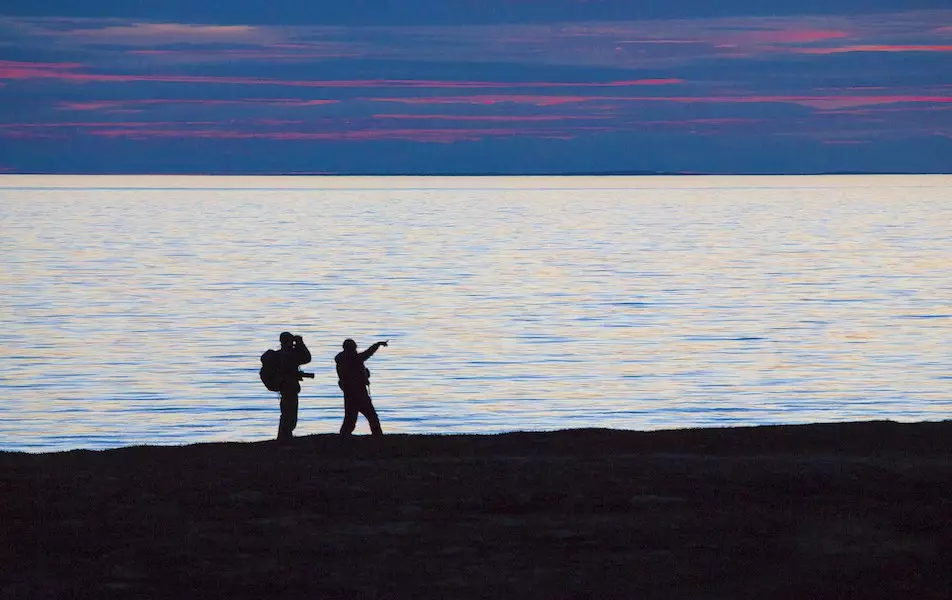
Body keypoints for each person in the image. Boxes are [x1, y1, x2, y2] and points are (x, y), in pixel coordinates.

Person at [336, 338, 388, 436]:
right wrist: (377, 344)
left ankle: (343, 437)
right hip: (359, 393)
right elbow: (368, 353)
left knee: (350, 419)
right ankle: (378, 437)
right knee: (372, 416)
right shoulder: (354, 358)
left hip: (349, 393)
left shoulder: (342, 360)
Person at [276, 331, 311, 443]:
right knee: (289, 414)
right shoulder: (290, 354)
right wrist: (300, 343)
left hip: (285, 386)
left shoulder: (280, 354)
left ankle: (284, 436)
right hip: (289, 387)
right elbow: (307, 358)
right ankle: (285, 437)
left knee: (286, 412)